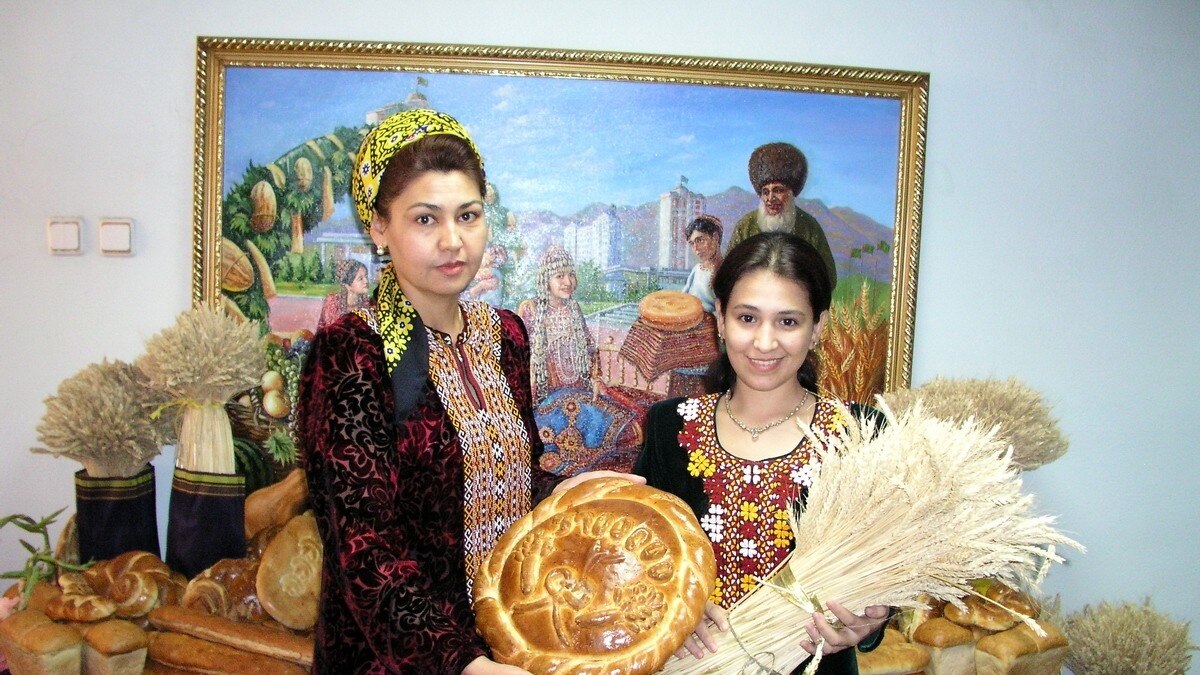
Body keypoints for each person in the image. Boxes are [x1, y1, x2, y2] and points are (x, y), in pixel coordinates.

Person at [298, 109, 638, 674]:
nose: (453, 241)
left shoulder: (503, 334)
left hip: (508, 640)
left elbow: (497, 483)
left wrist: (565, 488)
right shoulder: (352, 352)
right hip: (397, 659)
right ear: (380, 229)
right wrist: (461, 664)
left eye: (469, 215)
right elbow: (364, 548)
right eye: (425, 219)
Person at [633, 231, 888, 674]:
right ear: (720, 321)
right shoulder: (668, 426)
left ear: (818, 329)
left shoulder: (859, 434)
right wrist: (668, 610)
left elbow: (886, 565)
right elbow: (636, 560)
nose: (764, 342)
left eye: (788, 322)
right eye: (747, 318)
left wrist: (871, 621)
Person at [518, 244, 653, 475]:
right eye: (559, 276)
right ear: (545, 280)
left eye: (571, 275)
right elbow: (522, 358)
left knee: (633, 421)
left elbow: (590, 349)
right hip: (547, 397)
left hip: (581, 388)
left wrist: (595, 378)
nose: (567, 281)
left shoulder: (574, 308)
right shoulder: (530, 309)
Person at [729, 142, 838, 290]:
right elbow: (729, 273)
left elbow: (828, 278)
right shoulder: (746, 225)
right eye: (765, 192)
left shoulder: (809, 227)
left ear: (792, 193)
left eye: (778, 190)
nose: (770, 198)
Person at [680, 215, 724, 313]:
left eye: (700, 240)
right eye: (692, 243)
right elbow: (683, 296)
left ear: (715, 237)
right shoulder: (697, 269)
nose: (696, 248)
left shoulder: (726, 271)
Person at [315, 258, 370, 332]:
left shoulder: (368, 303)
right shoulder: (333, 302)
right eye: (360, 279)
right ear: (347, 285)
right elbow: (329, 331)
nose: (366, 281)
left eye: (366, 276)